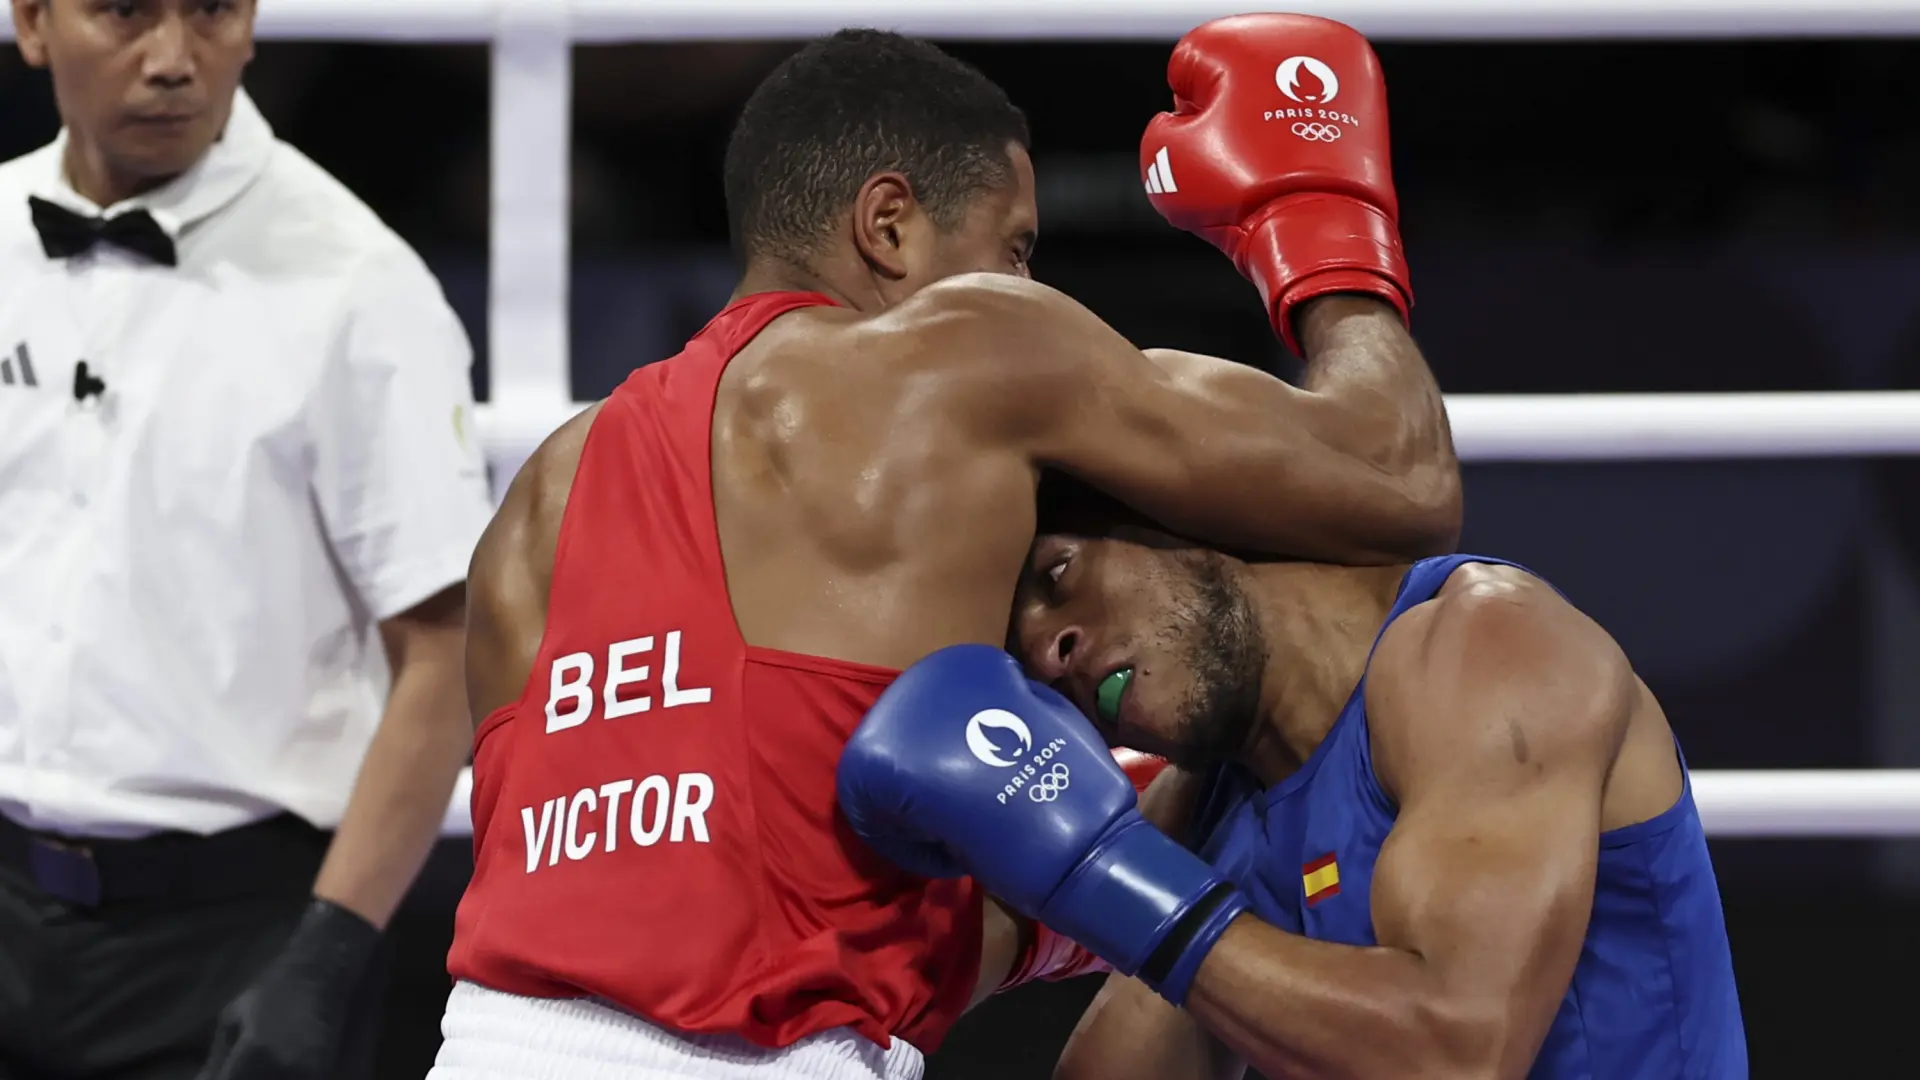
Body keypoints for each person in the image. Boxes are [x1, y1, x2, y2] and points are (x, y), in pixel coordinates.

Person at [438, 15, 1457, 1079]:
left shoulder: (531, 508)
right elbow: (1401, 471)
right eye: (1012, 247)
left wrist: (1071, 872)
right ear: (890, 223)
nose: (1022, 284)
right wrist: (1318, 223)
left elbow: (751, 900)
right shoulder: (961, 353)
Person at [839, 490, 1749, 1077]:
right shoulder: (1218, 802)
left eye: (1058, 573)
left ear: (1180, 510)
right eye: (1020, 656)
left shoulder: (1485, 648)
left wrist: (1104, 875)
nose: (1050, 650)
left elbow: (1456, 1054)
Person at [0, 2, 493, 1078]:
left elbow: (447, 654)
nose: (174, 60)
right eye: (127, 13)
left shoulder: (360, 287)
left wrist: (327, 958)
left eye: (212, 11)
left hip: (237, 931)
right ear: (33, 24)